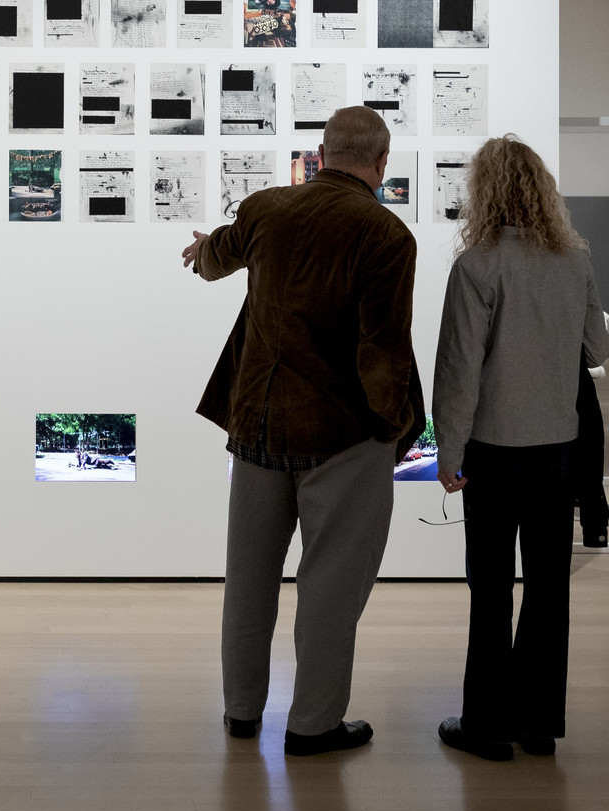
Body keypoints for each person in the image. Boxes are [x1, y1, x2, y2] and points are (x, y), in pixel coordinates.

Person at [182, 106, 427, 757]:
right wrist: (396, 429)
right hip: (342, 436)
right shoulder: (387, 236)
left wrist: (204, 249)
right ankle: (312, 725)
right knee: (329, 585)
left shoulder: (267, 208)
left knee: (250, 578)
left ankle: (240, 713)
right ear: (381, 162)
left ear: (321, 154)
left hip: (258, 425)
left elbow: (214, 259)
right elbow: (384, 350)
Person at [432, 136, 609, 762]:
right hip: (557, 450)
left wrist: (445, 453)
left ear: (486, 192)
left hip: (494, 450)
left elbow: (459, 371)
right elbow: (601, 351)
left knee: (491, 590)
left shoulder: (477, 266)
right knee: (548, 588)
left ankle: (486, 726)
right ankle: (537, 724)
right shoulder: (574, 262)